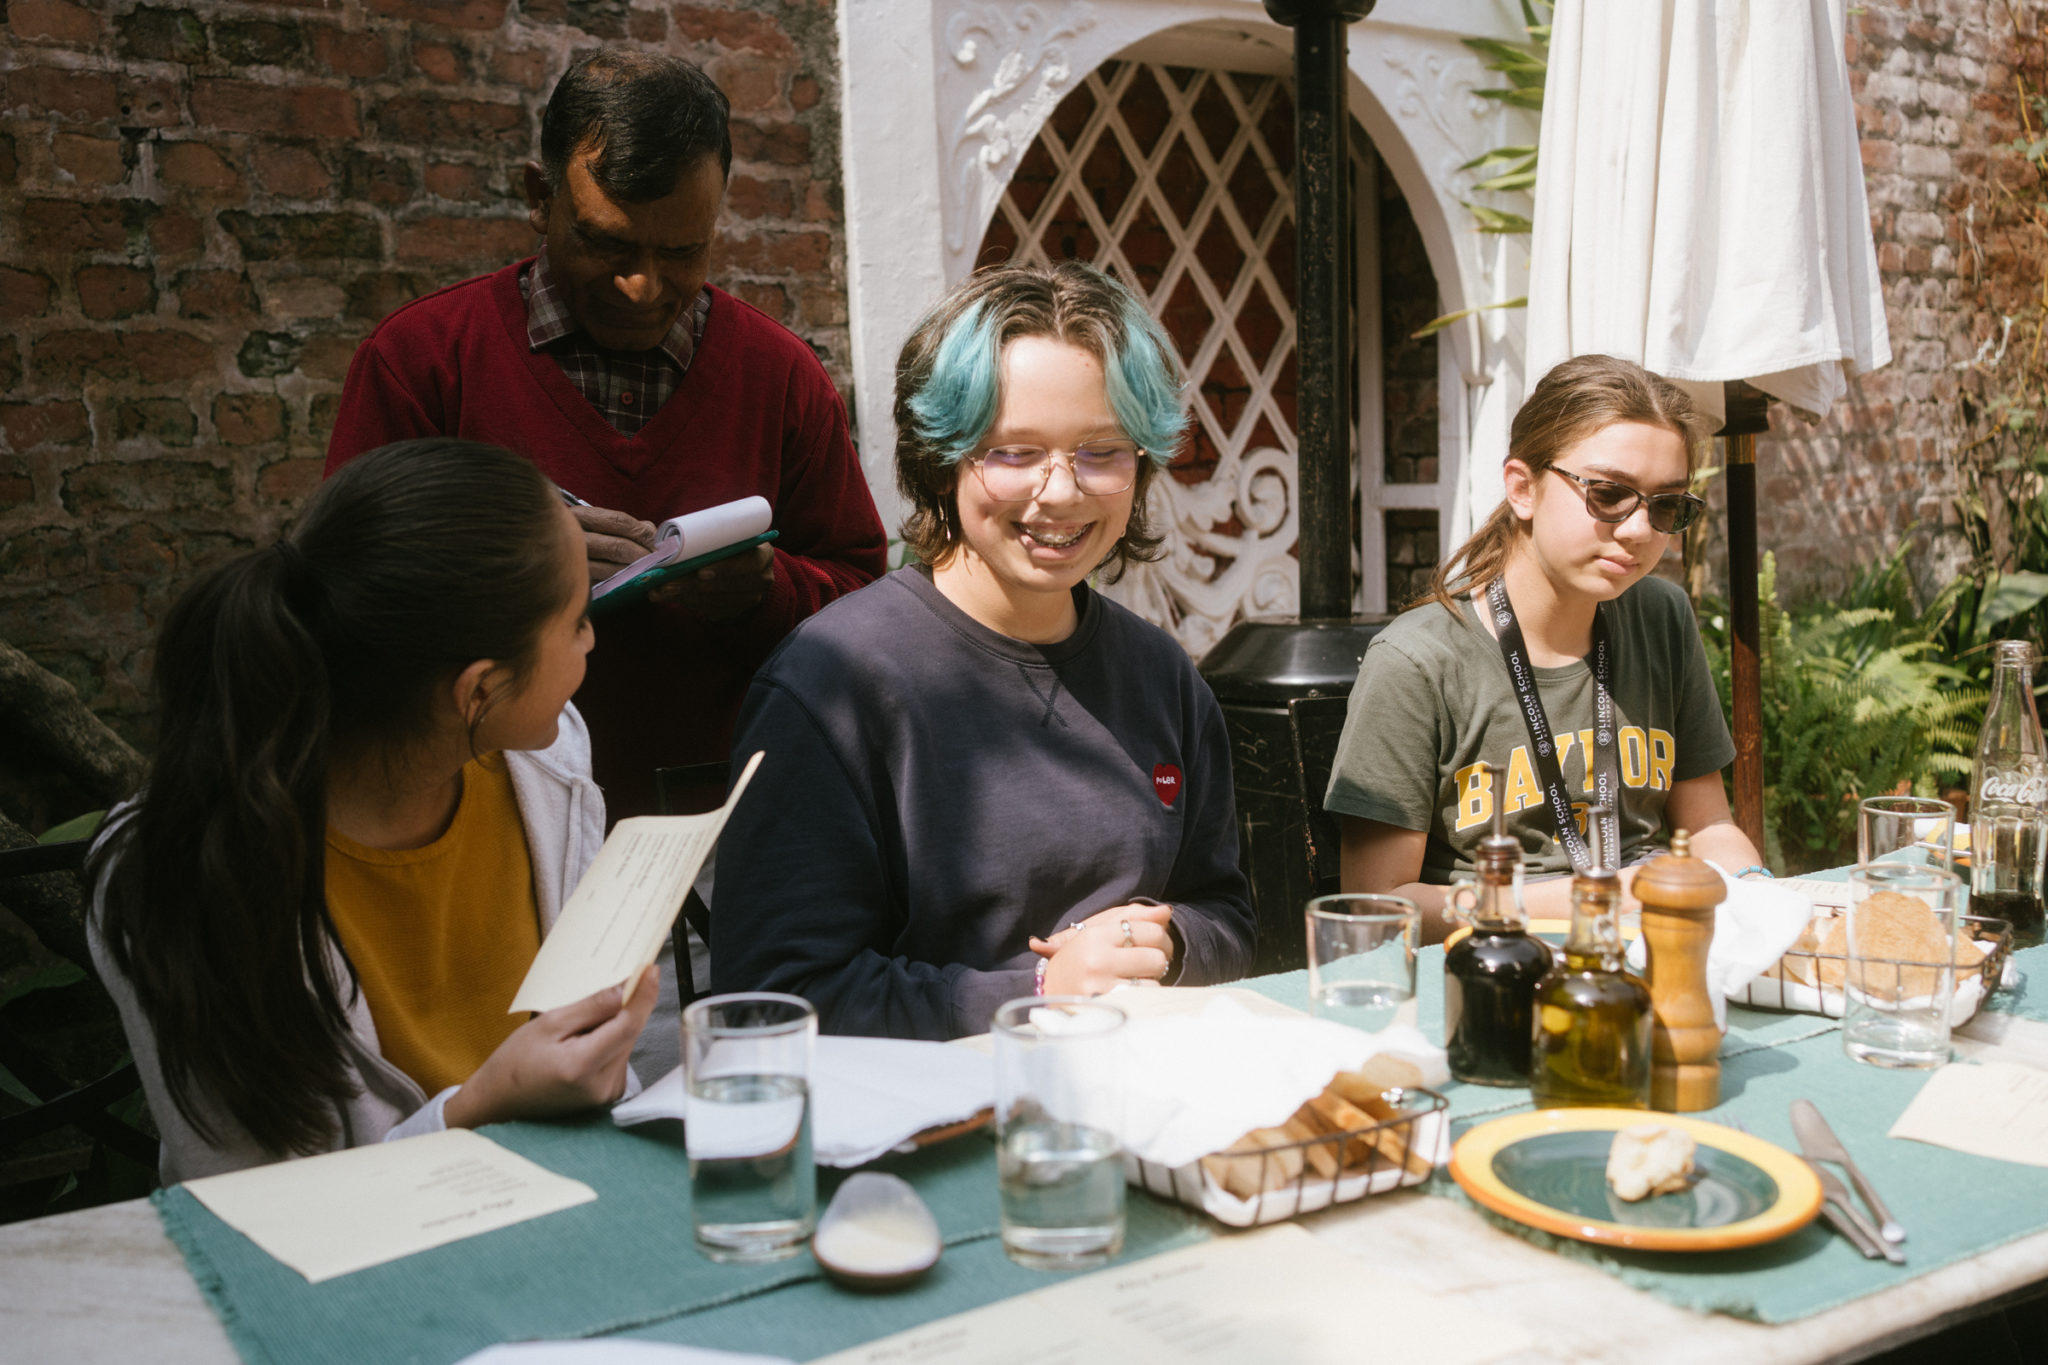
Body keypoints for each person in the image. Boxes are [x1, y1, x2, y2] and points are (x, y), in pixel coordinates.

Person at [324, 48, 887, 822]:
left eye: (683, 251)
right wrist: (523, 570)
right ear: (538, 197)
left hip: (727, 830)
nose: (643, 285)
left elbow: (862, 590)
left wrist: (762, 591)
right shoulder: (422, 364)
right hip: (481, 826)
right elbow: (336, 600)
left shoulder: (782, 376)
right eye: (609, 244)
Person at [709, 262, 1256, 1039]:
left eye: (1102, 451)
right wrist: (1039, 990)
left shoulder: (1162, 675)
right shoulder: (831, 683)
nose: (1061, 491)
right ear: (942, 456)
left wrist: (1164, 944)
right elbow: (775, 996)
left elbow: (1227, 917)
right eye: (1014, 451)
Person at [87, 441, 659, 1181]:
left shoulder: (549, 770)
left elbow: (596, 1086)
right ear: (477, 690)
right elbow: (258, 1202)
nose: (592, 639)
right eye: (578, 618)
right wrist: (480, 1105)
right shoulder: (183, 872)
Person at [1324, 354, 1766, 943]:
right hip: (1493, 968)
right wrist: (1592, 896)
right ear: (1522, 488)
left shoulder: (1661, 616)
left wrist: (1758, 893)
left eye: (1667, 506)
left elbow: (1708, 824)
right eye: (1608, 494)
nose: (1639, 530)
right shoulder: (1418, 662)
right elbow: (1379, 907)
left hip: (1649, 950)